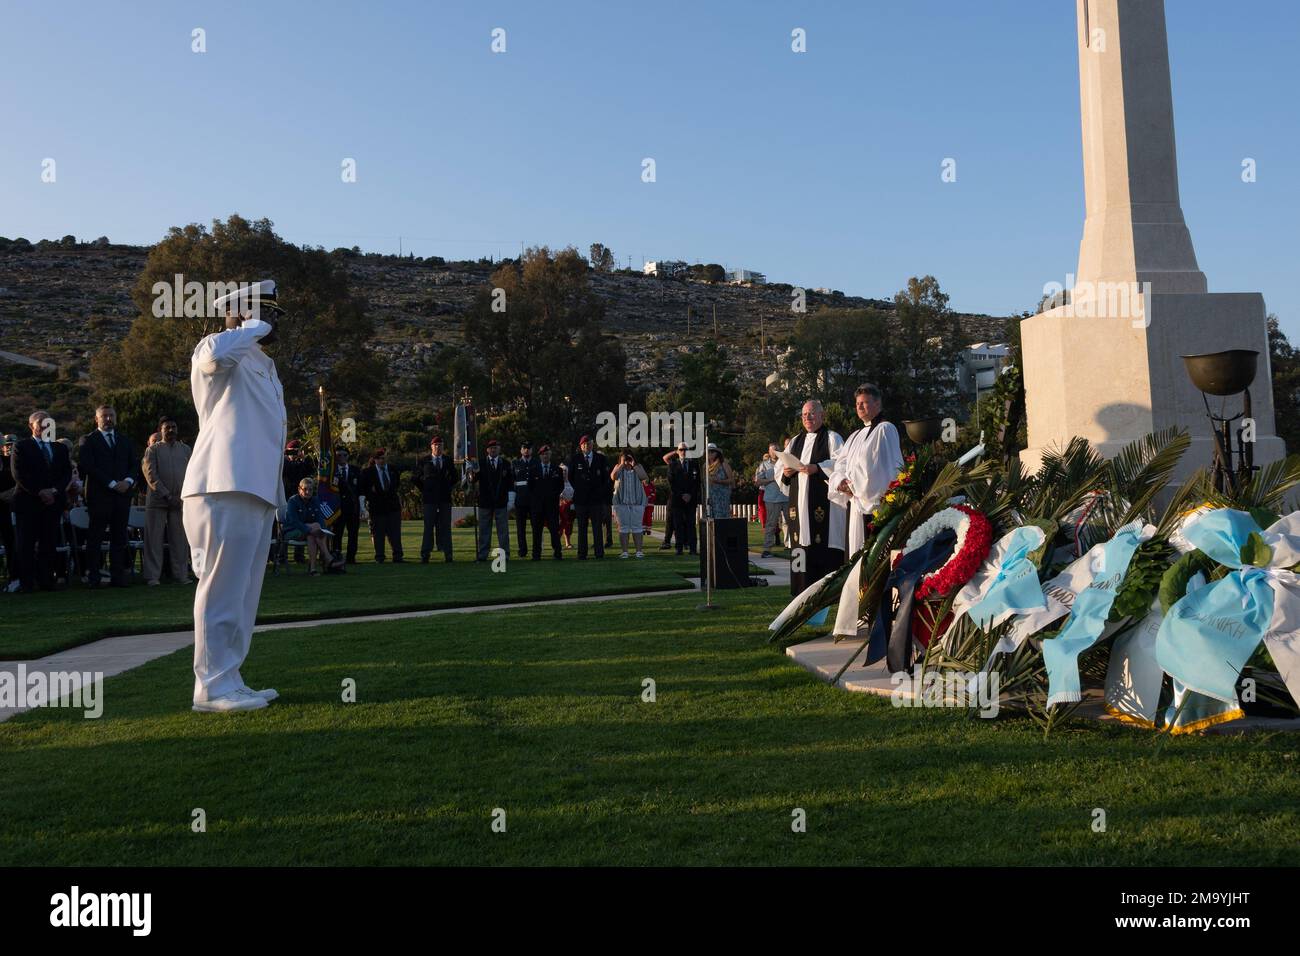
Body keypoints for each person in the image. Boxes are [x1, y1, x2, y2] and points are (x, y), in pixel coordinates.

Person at [181, 279, 286, 713]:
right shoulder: (219, 348)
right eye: (264, 312)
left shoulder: (266, 366)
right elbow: (213, 357)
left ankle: (231, 677)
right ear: (242, 313)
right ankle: (210, 687)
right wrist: (247, 328)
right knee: (221, 589)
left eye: (272, 315)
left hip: (256, 490)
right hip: (221, 484)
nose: (272, 321)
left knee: (243, 593)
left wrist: (277, 496)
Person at [776, 399, 846, 595]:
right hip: (798, 507)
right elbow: (779, 468)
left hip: (825, 508)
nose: (808, 417)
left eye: (812, 413)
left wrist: (818, 468)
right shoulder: (795, 440)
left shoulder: (832, 438)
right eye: (805, 414)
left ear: (822, 415)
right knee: (800, 545)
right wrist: (786, 472)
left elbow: (843, 463)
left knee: (823, 545)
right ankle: (800, 592)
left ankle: (828, 594)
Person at [828, 384, 905, 556]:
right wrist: (840, 482)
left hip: (874, 506)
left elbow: (883, 469)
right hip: (856, 504)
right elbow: (841, 463)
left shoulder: (885, 429)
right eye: (857, 404)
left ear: (878, 404)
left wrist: (853, 486)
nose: (860, 407)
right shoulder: (855, 435)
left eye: (865, 402)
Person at [9, 411, 73, 592]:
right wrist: (39, 491)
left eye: (48, 422)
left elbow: (66, 473)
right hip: (28, 503)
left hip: (52, 503)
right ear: (31, 426)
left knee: (48, 543)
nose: (45, 425)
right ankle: (26, 583)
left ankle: (46, 581)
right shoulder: (21, 446)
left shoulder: (59, 448)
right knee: (26, 545)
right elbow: (19, 474)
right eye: (41, 422)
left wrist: (54, 491)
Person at [77, 405, 138, 588]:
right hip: (99, 496)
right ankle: (94, 577)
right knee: (95, 538)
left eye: (111, 415)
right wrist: (112, 483)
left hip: (122, 497)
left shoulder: (124, 440)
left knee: (119, 538)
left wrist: (127, 481)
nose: (109, 419)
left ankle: (117, 577)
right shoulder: (88, 440)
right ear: (97, 419)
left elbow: (134, 464)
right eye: (104, 416)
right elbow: (89, 466)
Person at [141, 416, 192, 585]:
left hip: (179, 501)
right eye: (167, 427)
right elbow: (151, 475)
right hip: (158, 502)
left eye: (173, 427)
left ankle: (181, 575)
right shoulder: (153, 450)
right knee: (153, 540)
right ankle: (153, 577)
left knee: (180, 541)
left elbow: (192, 474)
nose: (171, 430)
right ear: (160, 430)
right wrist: (167, 495)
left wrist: (182, 496)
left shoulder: (185, 450)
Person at [284, 477, 344, 575]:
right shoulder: (293, 501)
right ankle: (328, 559)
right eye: (305, 489)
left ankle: (313, 569)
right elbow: (294, 522)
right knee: (314, 528)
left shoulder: (315, 500)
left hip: (308, 532)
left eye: (310, 489)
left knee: (313, 533)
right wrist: (310, 529)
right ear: (299, 489)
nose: (308, 492)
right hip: (291, 531)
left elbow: (320, 518)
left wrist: (323, 531)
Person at [412, 435, 455, 563]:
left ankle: (448, 554)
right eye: (436, 445)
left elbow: (454, 477)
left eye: (440, 445)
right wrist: (425, 489)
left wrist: (447, 487)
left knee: (446, 527)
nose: (438, 447)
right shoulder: (424, 461)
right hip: (429, 500)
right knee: (428, 527)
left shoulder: (448, 460)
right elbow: (415, 478)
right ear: (431, 446)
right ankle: (425, 554)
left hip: (444, 499)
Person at [566, 434, 608, 559]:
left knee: (597, 527)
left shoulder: (600, 458)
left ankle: (599, 553)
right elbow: (571, 477)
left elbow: (605, 478)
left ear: (592, 444)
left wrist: (600, 492)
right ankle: (582, 553)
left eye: (589, 443)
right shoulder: (575, 459)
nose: (587, 445)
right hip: (581, 499)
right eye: (584, 444)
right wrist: (580, 489)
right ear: (581, 446)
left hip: (596, 499)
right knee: (582, 527)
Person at [361, 448, 404, 562]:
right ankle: (380, 557)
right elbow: (364, 489)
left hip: (393, 507)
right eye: (379, 458)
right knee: (378, 534)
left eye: (384, 458)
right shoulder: (368, 472)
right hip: (377, 507)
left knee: (395, 533)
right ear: (375, 460)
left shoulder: (393, 470)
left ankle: (398, 556)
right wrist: (372, 493)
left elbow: (396, 485)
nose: (382, 460)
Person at [471, 438, 511, 561]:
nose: (494, 449)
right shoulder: (480, 463)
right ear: (487, 450)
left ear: (499, 449)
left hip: (501, 501)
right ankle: (482, 555)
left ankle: (504, 555)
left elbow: (510, 482)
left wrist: (510, 499)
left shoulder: (505, 463)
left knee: (503, 532)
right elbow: (473, 480)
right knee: (484, 531)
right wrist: (470, 471)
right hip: (485, 502)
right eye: (491, 448)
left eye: (496, 447)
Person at [528, 444, 565, 560]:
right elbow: (530, 487)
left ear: (550, 455)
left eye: (547, 454)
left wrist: (553, 496)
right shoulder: (533, 470)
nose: (545, 456)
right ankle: (536, 554)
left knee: (554, 530)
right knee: (537, 531)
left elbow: (561, 486)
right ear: (540, 456)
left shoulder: (557, 469)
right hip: (537, 506)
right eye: (543, 454)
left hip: (552, 505)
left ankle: (558, 553)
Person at [610, 451, 649, 558]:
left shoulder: (638, 467)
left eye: (629, 458)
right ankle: (625, 552)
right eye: (625, 458)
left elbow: (644, 477)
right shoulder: (618, 467)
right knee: (623, 528)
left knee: (637, 527)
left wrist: (634, 465)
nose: (627, 461)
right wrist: (622, 464)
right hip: (621, 502)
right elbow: (613, 476)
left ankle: (639, 551)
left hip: (637, 502)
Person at [664, 442, 701, 555]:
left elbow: (697, 482)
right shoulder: (673, 465)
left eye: (685, 450)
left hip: (690, 500)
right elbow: (671, 482)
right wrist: (681, 495)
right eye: (681, 450)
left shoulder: (694, 464)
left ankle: (693, 548)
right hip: (677, 499)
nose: (683, 452)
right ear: (678, 451)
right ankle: (679, 548)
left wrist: (689, 495)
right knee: (678, 524)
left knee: (691, 524)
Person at [281, 440, 314, 564]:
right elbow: (291, 471)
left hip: (300, 499)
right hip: (286, 497)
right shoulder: (285, 462)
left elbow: (309, 470)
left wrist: (304, 458)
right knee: (284, 525)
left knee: (302, 523)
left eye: (296, 451)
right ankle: (281, 555)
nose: (294, 454)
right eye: (292, 451)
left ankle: (299, 555)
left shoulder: (301, 463)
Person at [755, 443, 791, 557]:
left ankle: (791, 546)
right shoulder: (764, 465)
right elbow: (757, 482)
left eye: (776, 450)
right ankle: (767, 549)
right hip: (771, 498)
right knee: (771, 524)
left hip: (786, 496)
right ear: (769, 452)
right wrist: (771, 480)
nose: (774, 452)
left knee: (791, 522)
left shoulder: (785, 462)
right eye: (772, 450)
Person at [333, 447, 362, 564]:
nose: (342, 458)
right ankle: (336, 555)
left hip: (353, 507)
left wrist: (362, 508)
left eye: (344, 455)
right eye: (339, 455)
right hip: (338, 507)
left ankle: (351, 557)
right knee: (337, 533)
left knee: (353, 534)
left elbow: (360, 490)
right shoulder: (332, 471)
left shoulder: (356, 470)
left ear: (348, 456)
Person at [511, 441, 536, 559]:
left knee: (536, 526)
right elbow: (511, 482)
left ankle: (536, 550)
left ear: (532, 450)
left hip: (534, 501)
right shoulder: (515, 463)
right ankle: (522, 550)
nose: (526, 450)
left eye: (529, 448)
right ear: (521, 450)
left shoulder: (537, 463)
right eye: (524, 448)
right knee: (521, 528)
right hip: (520, 500)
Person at [0, 435, 17, 590]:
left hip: (7, 510)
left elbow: (17, 480)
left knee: (11, 542)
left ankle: (14, 577)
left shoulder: (7, 462)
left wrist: (13, 492)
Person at [704, 443, 734, 519]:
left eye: (712, 452)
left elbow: (731, 480)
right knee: (710, 518)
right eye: (708, 452)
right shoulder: (705, 466)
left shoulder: (723, 464)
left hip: (722, 497)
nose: (710, 454)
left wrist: (718, 481)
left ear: (717, 453)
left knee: (721, 519)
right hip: (710, 496)